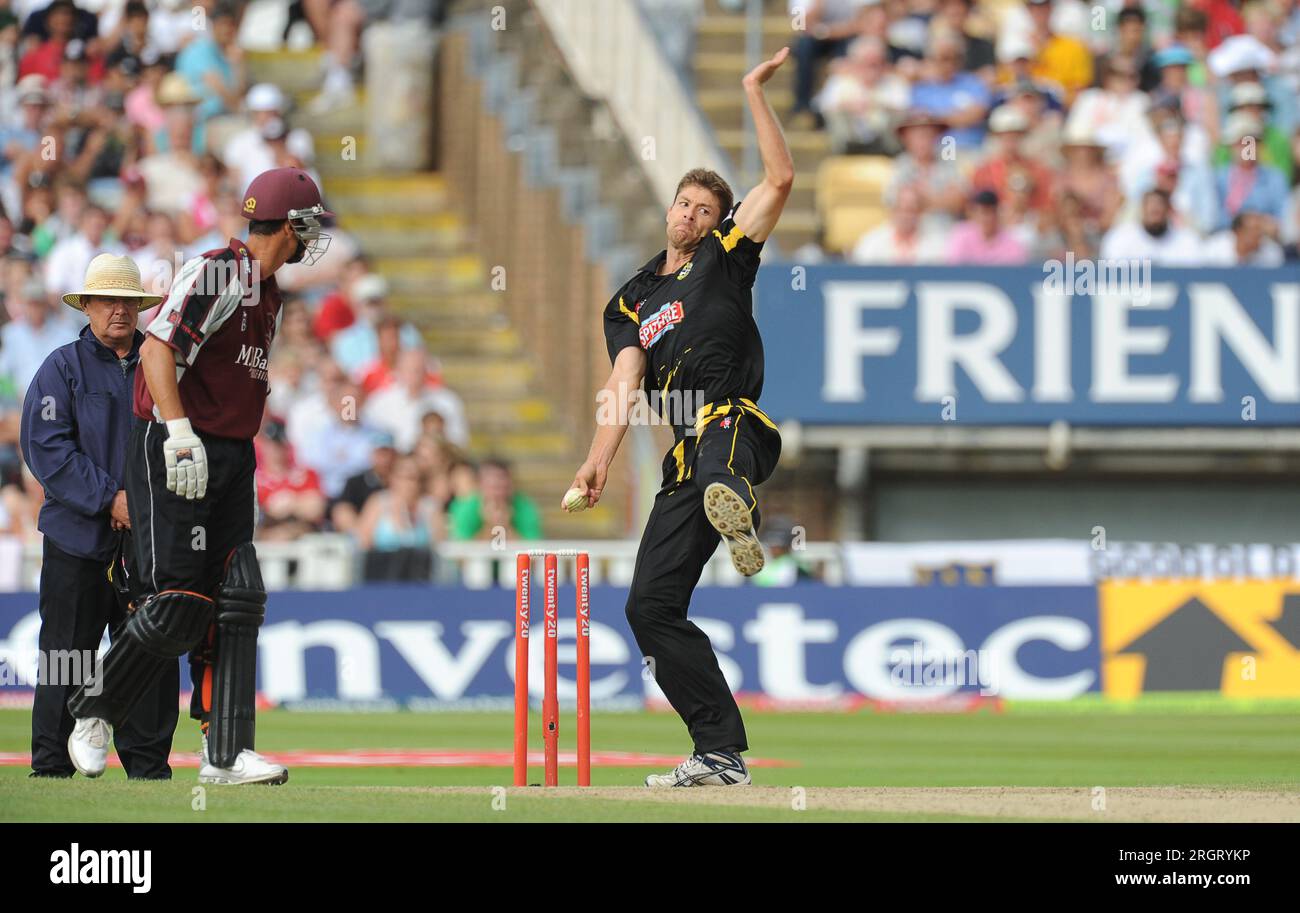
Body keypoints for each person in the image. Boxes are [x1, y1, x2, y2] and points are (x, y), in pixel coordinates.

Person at [565, 49, 793, 788]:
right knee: (649, 606)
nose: (693, 214)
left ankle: (740, 510)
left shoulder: (728, 256)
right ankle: (719, 751)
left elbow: (780, 178)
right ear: (668, 210)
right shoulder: (630, 298)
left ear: (719, 221)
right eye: (684, 203)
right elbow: (624, 380)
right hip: (683, 460)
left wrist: (751, 89)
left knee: (720, 456)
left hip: (734, 423)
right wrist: (598, 459)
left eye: (706, 208)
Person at [64, 167, 334, 786]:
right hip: (177, 442)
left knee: (238, 596)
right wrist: (180, 433)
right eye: (307, 225)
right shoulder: (219, 271)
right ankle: (94, 707)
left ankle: (226, 753)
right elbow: (158, 349)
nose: (310, 237)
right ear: (287, 226)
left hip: (234, 455)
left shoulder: (269, 292)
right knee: (179, 602)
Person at [21, 253, 178, 779]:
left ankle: (149, 771)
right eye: (108, 300)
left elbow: (183, 441)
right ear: (86, 305)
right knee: (67, 653)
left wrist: (147, 504)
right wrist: (110, 499)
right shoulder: (59, 368)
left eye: (129, 301)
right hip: (76, 542)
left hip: (147, 544)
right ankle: (51, 768)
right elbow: (47, 451)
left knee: (150, 656)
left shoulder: (164, 365)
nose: (119, 310)